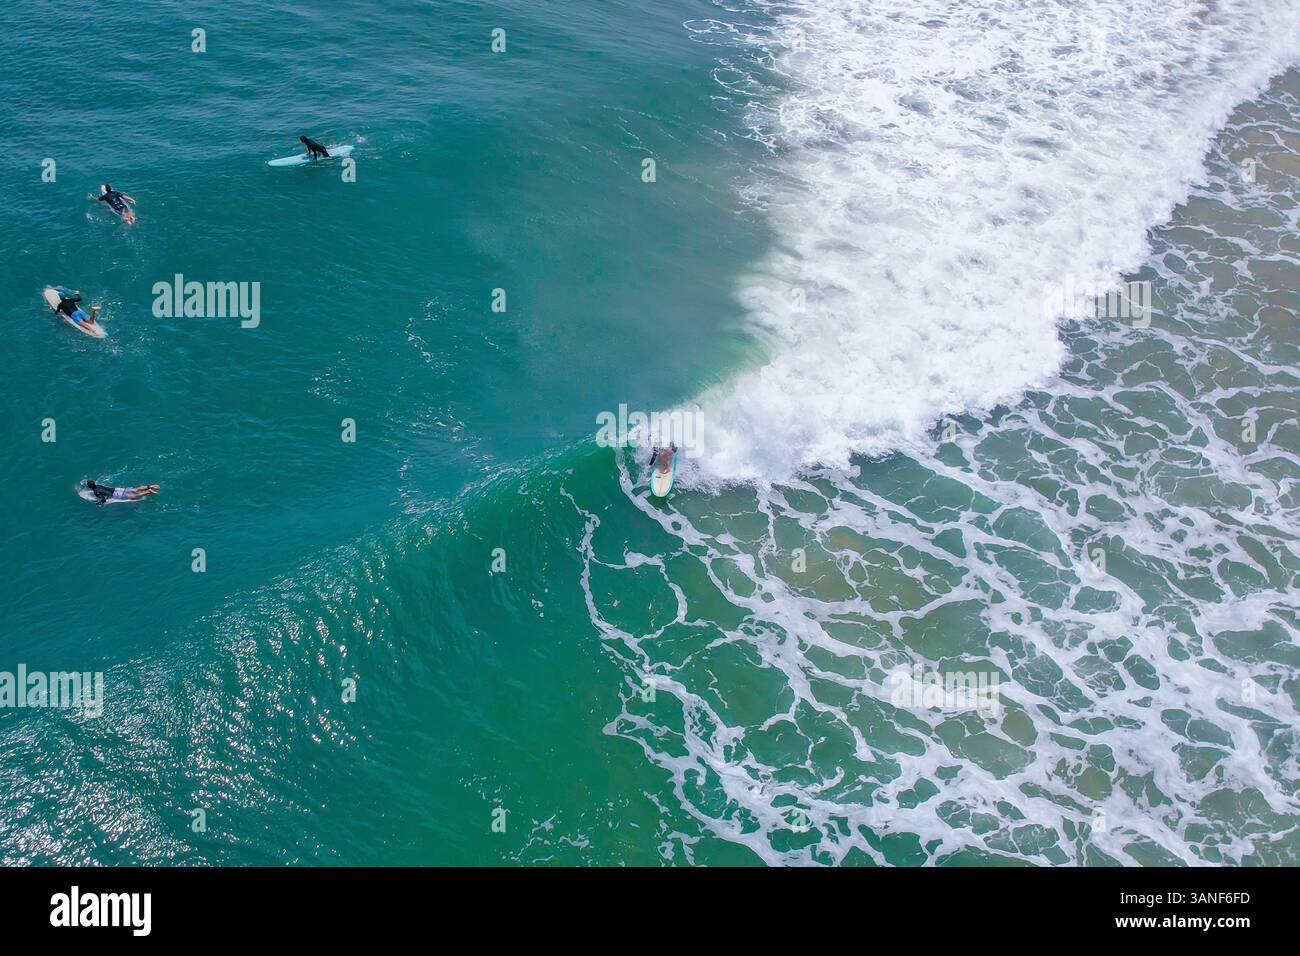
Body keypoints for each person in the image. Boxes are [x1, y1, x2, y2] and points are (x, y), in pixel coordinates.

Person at [84, 479, 159, 505]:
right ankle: (149, 486)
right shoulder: (98, 485)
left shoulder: (96, 492)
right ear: (94, 483)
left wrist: (98, 503)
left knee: (133, 497)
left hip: (116, 494)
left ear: (90, 487)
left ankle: (148, 491)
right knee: (134, 489)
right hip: (117, 489)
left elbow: (103, 499)